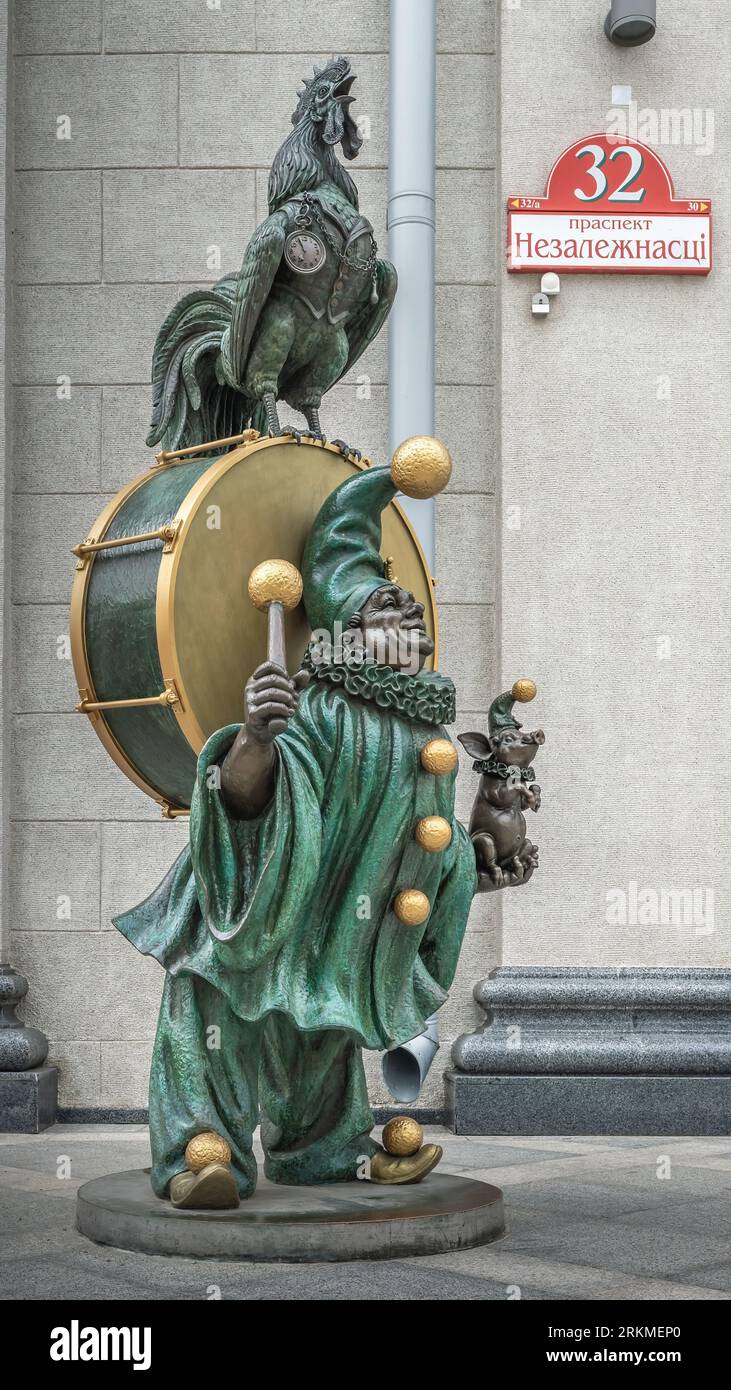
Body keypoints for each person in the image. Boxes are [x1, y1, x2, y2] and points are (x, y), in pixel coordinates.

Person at [114, 462, 478, 1207]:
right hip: (249, 900)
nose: (407, 617)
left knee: (321, 1027)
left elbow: (425, 839)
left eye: (410, 612)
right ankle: (197, 1155)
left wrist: (468, 865)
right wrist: (253, 734)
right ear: (346, 629)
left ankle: (325, 1150)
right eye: (386, 608)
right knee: (213, 1017)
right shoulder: (318, 705)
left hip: (331, 921)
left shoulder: (424, 732)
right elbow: (248, 795)